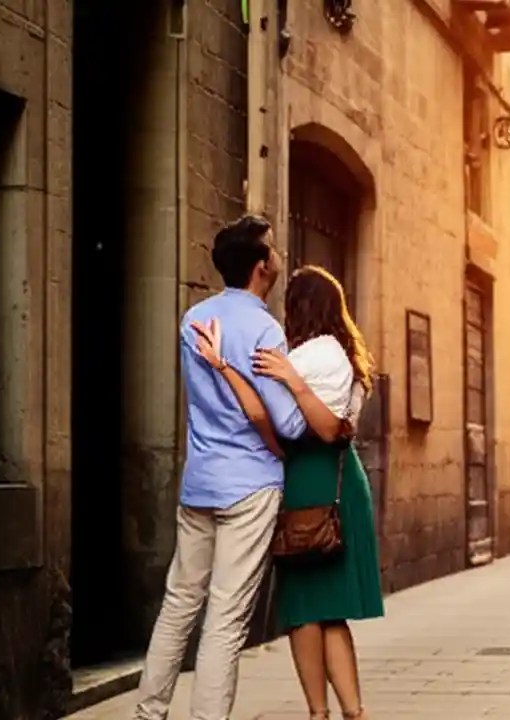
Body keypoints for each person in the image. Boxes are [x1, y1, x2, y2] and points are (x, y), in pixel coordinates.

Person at [135, 215, 310, 720]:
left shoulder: (194, 318)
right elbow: (286, 421)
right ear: (262, 266)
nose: (278, 254)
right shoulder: (264, 328)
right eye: (272, 248)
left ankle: (148, 713)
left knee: (178, 603)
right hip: (250, 484)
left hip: (201, 480)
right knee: (226, 619)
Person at [192, 265, 384, 720]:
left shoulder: (317, 356)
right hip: (333, 483)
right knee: (321, 609)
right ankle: (347, 713)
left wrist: (246, 371)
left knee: (309, 607)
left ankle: (326, 713)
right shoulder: (343, 357)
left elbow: (325, 429)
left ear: (300, 308)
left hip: (315, 482)